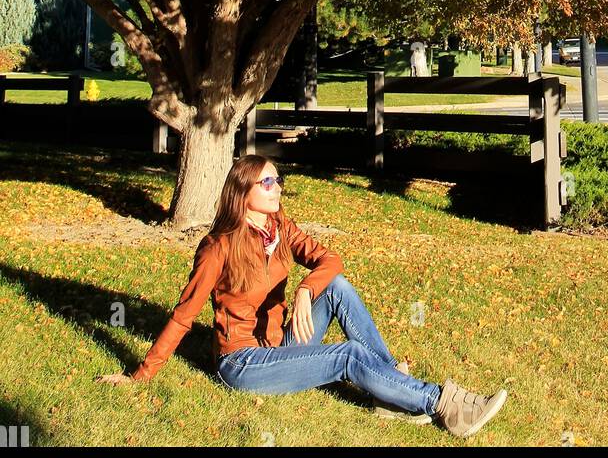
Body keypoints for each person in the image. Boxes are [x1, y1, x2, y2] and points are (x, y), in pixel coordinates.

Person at [97, 154, 507, 439]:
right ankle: (444, 405)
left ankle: (389, 392)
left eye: (278, 180)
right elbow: (184, 315)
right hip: (243, 362)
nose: (278, 187)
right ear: (244, 192)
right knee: (346, 355)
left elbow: (331, 260)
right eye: (268, 182)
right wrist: (141, 373)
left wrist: (307, 290)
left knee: (338, 288)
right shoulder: (217, 246)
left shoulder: (280, 227)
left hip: (283, 343)